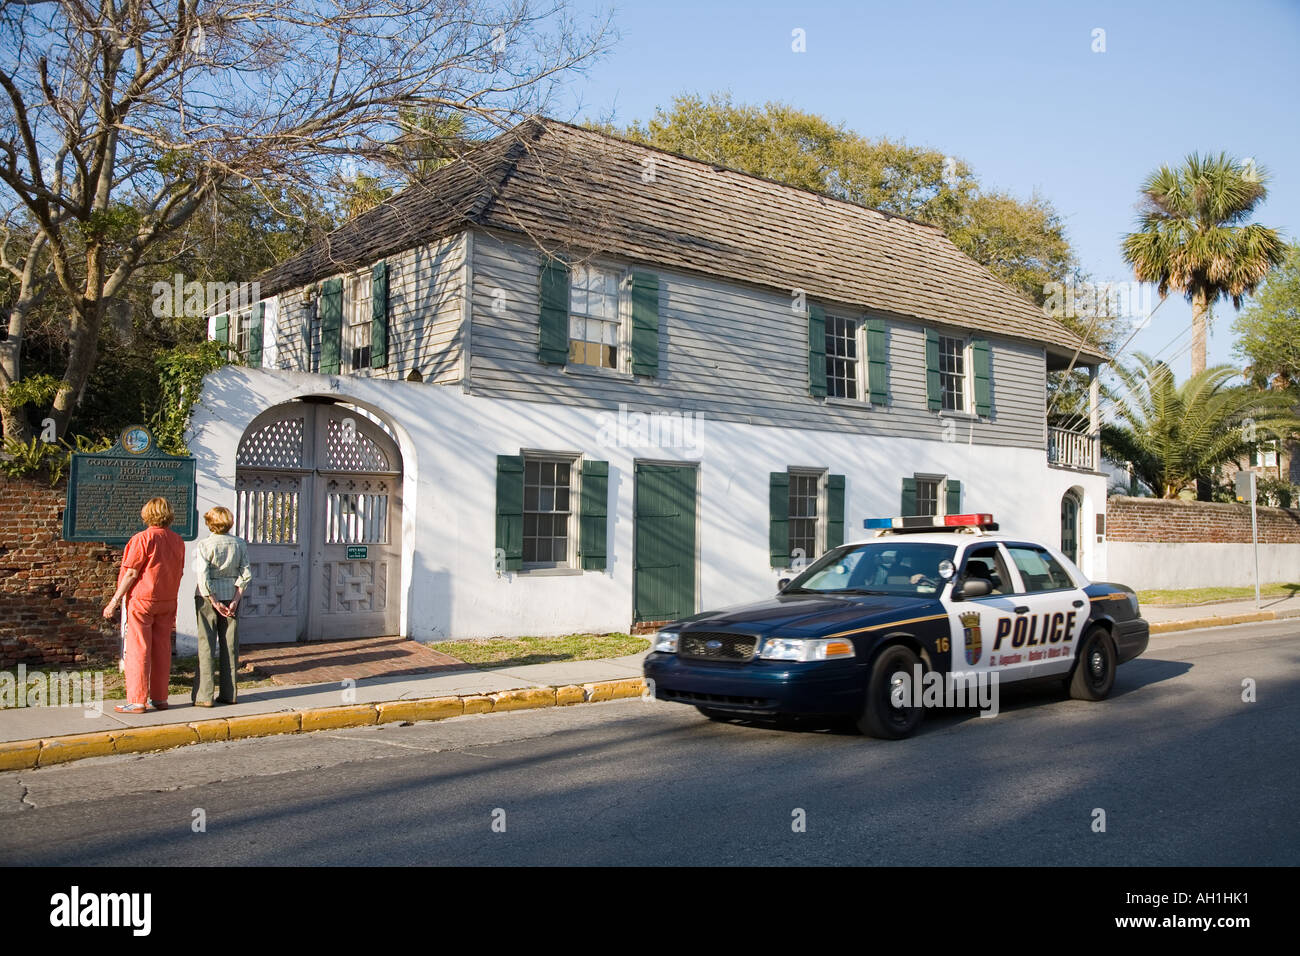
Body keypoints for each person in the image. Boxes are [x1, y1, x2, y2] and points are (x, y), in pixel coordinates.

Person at [103, 497, 186, 714]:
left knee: (138, 649)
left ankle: (137, 700)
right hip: (167, 600)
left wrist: (114, 601)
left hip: (142, 599)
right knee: (162, 649)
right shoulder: (177, 540)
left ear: (147, 514)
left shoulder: (142, 538)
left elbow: (131, 572)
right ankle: (160, 697)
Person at [191, 506, 252, 707]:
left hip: (208, 598)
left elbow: (203, 576)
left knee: (206, 645)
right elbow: (245, 574)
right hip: (232, 597)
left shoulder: (205, 545)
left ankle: (204, 695)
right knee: (230, 645)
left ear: (210, 523)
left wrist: (214, 601)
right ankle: (229, 693)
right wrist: (235, 600)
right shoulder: (239, 543)